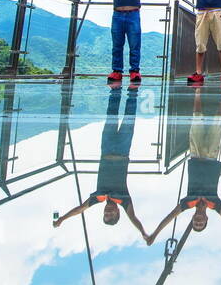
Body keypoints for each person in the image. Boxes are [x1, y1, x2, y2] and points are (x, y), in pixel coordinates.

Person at [146, 87, 221, 244]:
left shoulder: (188, 202)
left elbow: (169, 217)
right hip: (211, 156)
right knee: (218, 121)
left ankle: (198, 91)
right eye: (201, 223)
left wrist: (155, 233)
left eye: (195, 223)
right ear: (206, 218)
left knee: (196, 119)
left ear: (193, 218)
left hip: (196, 155)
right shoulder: (215, 203)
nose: (198, 220)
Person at [52, 87, 149, 237]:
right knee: (129, 117)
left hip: (106, 149)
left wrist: (62, 219)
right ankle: (133, 90)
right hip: (123, 151)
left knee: (111, 115)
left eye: (105, 215)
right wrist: (143, 232)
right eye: (111, 215)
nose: (108, 212)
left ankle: (115, 90)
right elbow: (133, 218)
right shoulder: (124, 199)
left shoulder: (97, 198)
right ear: (117, 213)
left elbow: (79, 209)